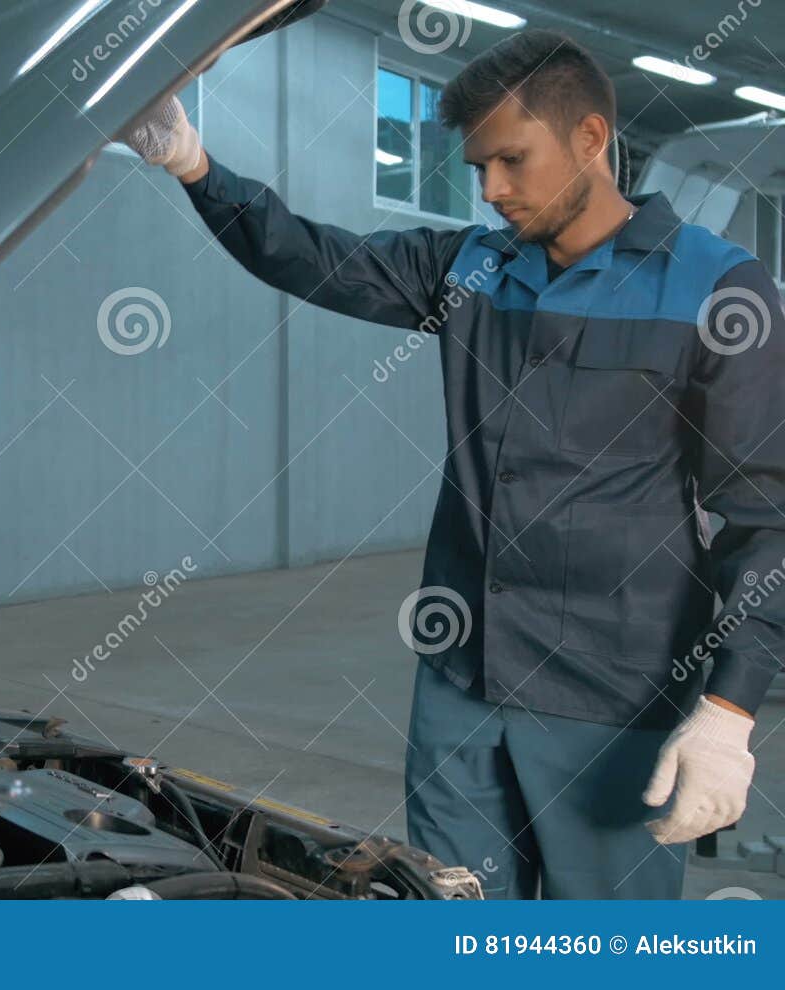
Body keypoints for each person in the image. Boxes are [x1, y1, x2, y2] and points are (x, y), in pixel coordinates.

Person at [123, 28, 784, 898]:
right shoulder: (475, 269)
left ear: (590, 138)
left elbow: (765, 519)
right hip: (460, 679)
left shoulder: (718, 290)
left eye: (511, 160)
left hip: (611, 697)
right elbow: (316, 258)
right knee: (453, 918)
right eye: (478, 169)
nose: (491, 190)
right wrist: (198, 169)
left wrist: (730, 709)